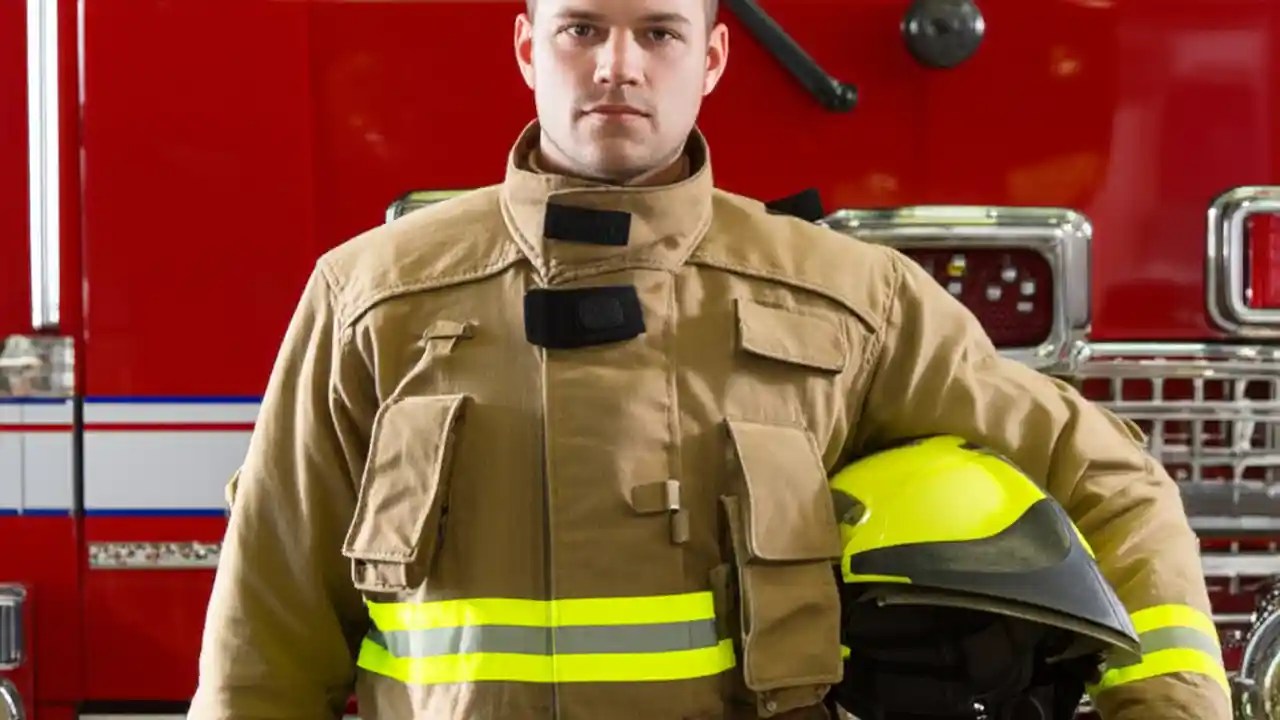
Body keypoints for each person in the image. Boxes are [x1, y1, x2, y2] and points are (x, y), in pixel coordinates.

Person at [186, 0, 1231, 718]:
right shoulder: (373, 298)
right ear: (525, 50)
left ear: (711, 59)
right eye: (581, 29)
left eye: (656, 32)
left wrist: (1164, 698)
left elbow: (1107, 477)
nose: (616, 65)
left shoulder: (842, 299)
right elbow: (268, 622)